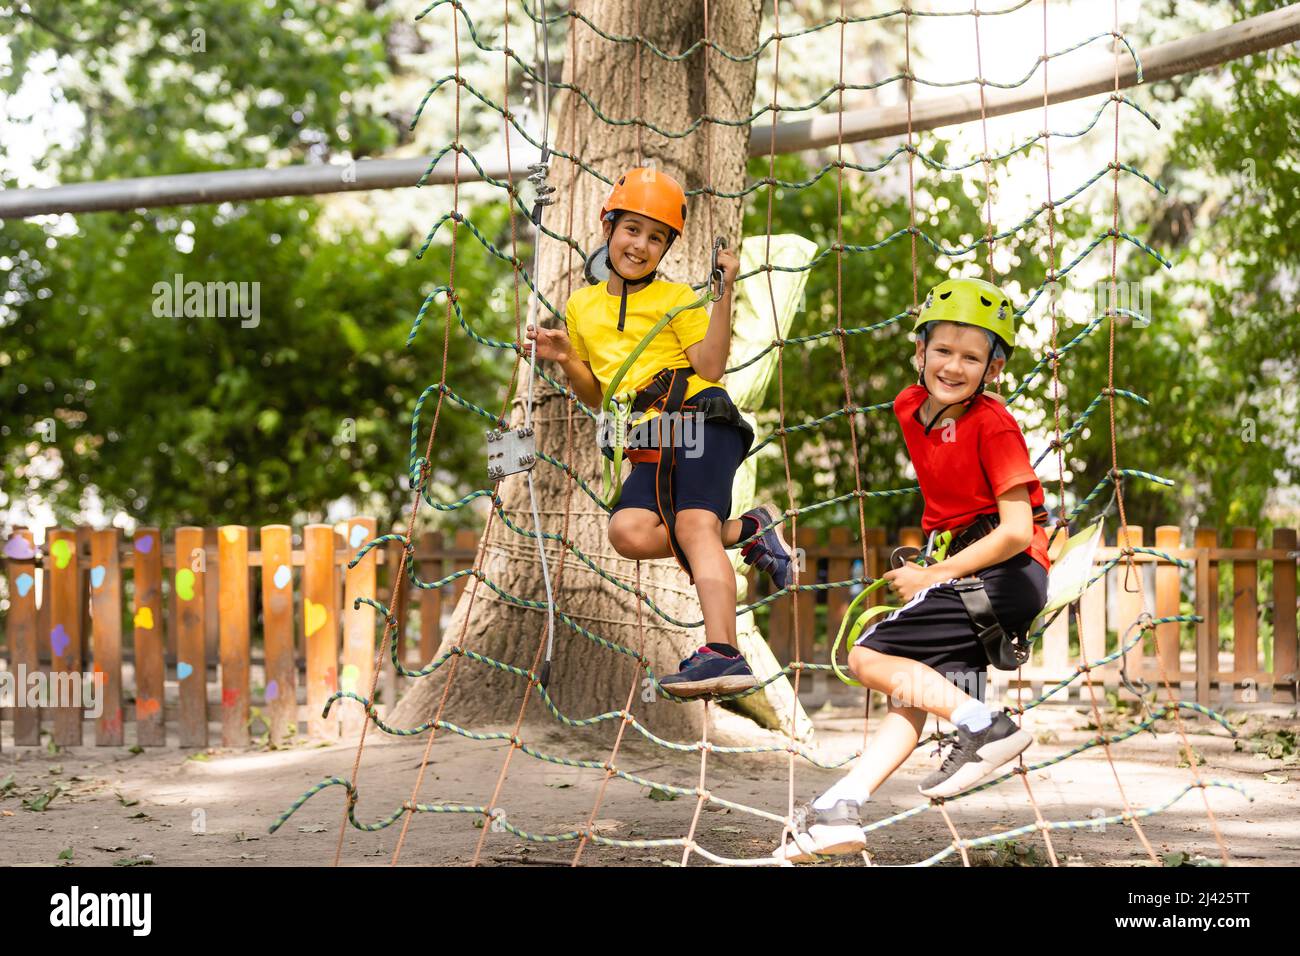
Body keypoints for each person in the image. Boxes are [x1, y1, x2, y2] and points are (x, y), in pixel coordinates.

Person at [777, 276, 1052, 863]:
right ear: (919, 352)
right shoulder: (909, 407)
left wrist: (935, 574)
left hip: (1003, 570)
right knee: (912, 689)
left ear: (993, 370)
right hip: (973, 569)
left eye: (972, 357)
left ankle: (988, 726)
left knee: (865, 657)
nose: (954, 366)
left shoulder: (994, 424)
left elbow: (1016, 530)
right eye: (943, 350)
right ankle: (841, 807)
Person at [523, 167, 795, 698]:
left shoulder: (676, 300)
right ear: (609, 228)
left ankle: (723, 653)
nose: (640, 245)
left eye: (656, 237)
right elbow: (600, 394)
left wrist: (723, 292)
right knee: (627, 533)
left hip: (699, 419)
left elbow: (711, 367)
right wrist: (565, 359)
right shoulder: (582, 308)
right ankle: (749, 530)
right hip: (647, 440)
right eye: (631, 230)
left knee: (694, 524)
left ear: (667, 247)